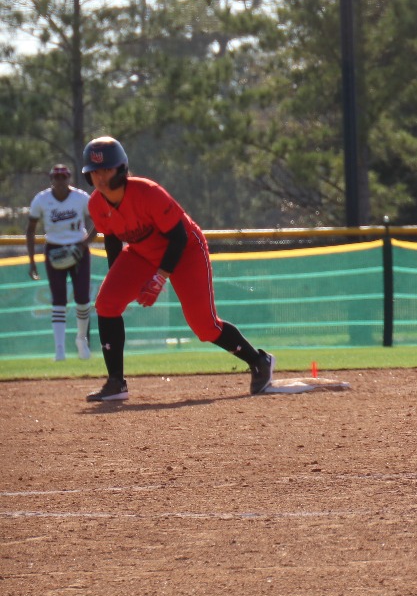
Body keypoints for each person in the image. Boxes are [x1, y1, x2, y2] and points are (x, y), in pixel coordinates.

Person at [78, 136, 275, 402]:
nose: (100, 177)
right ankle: (116, 383)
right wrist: (119, 280)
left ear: (121, 169)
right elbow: (113, 239)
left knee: (204, 327)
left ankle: (258, 361)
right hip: (141, 253)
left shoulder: (148, 192)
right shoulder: (96, 204)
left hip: (185, 252)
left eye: (106, 169)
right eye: (94, 172)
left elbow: (179, 238)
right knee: (107, 302)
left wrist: (159, 279)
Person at [27, 164, 96, 361]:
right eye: (56, 177)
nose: (60, 181)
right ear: (51, 179)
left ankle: (81, 339)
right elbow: (30, 230)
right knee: (58, 300)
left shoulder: (81, 197)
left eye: (63, 177)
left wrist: (84, 245)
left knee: (82, 298)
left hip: (78, 249)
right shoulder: (41, 199)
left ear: (69, 179)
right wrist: (32, 261)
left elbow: (97, 223)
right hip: (55, 248)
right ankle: (59, 350)